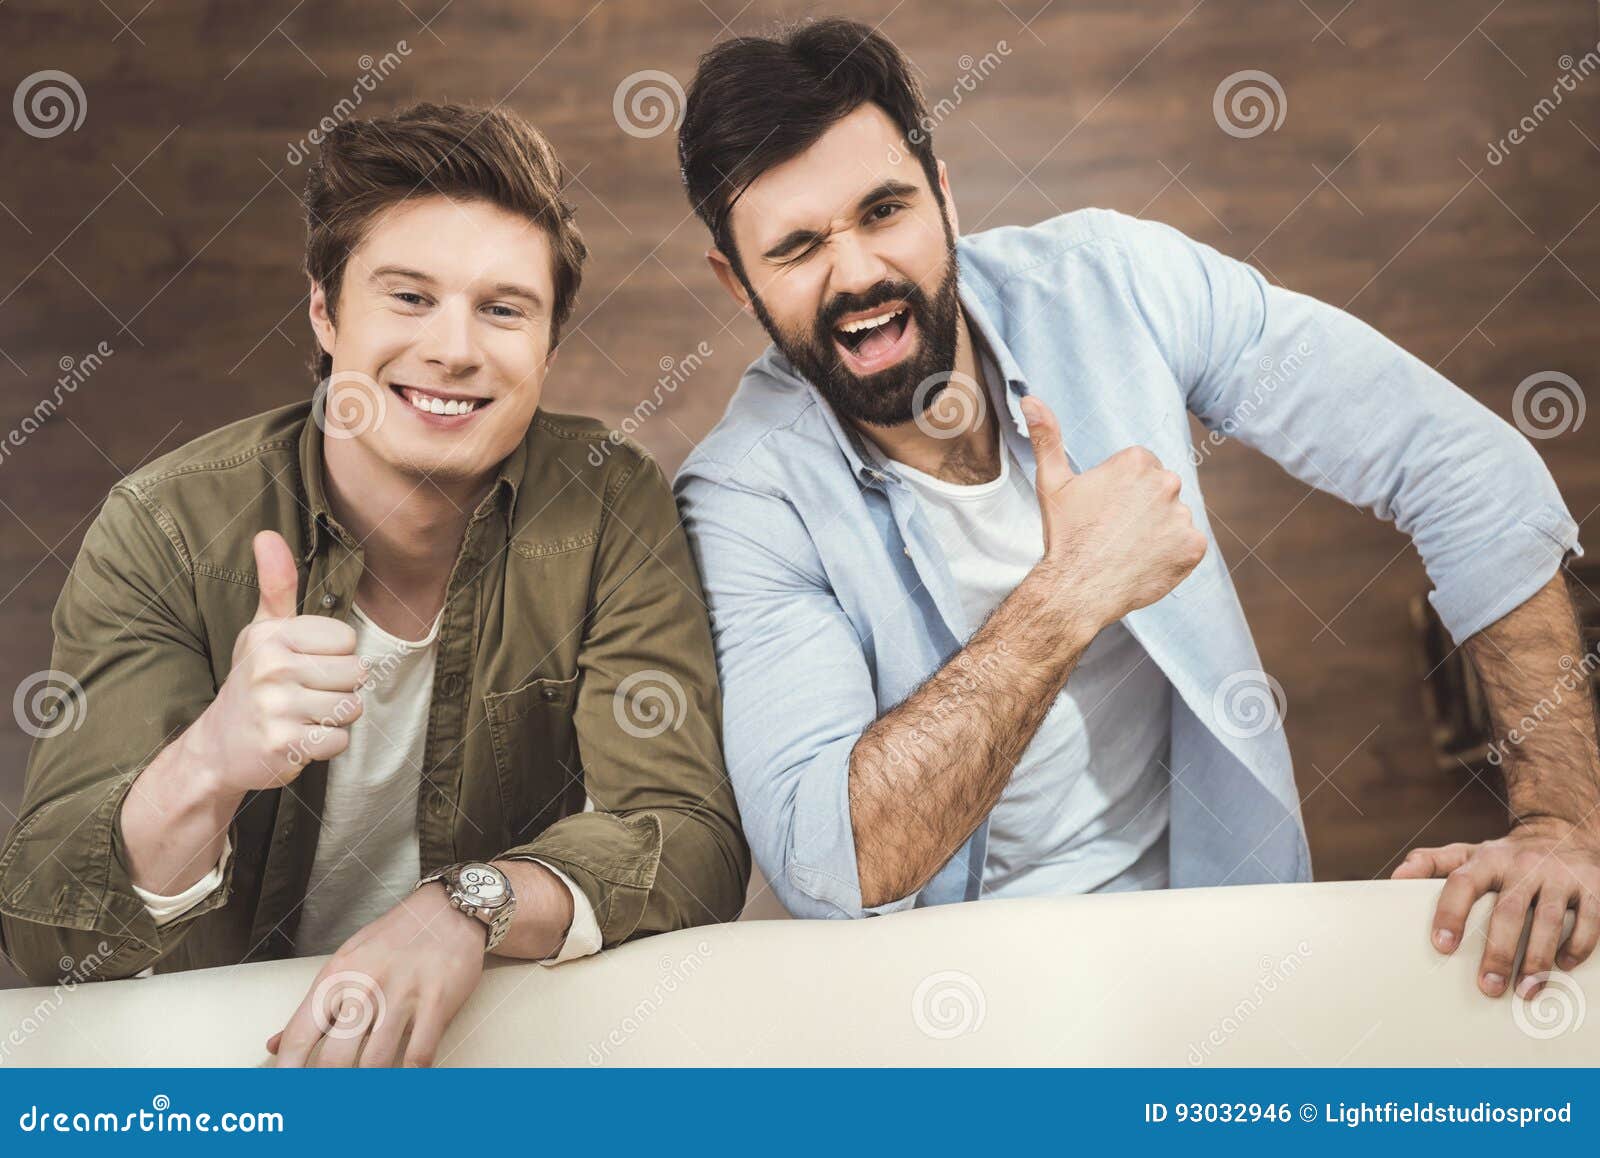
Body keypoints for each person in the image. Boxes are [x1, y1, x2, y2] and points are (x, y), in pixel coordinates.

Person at [672, 19, 1599, 1002]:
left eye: (884, 210)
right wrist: (1069, 593)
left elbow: (1455, 461)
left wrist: (1560, 821)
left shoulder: (1110, 283)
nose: (858, 272)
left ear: (942, 196)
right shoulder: (745, 495)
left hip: (1222, 940)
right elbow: (830, 865)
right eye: (798, 247)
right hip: (951, 1005)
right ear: (738, 283)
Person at [0, 102, 749, 1066]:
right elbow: (46, 933)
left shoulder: (608, 502)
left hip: (487, 1049)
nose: (455, 349)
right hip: (222, 1067)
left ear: (549, 346)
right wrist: (209, 762)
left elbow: (689, 839)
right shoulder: (167, 526)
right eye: (409, 297)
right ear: (325, 310)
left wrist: (467, 905)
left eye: (504, 309)